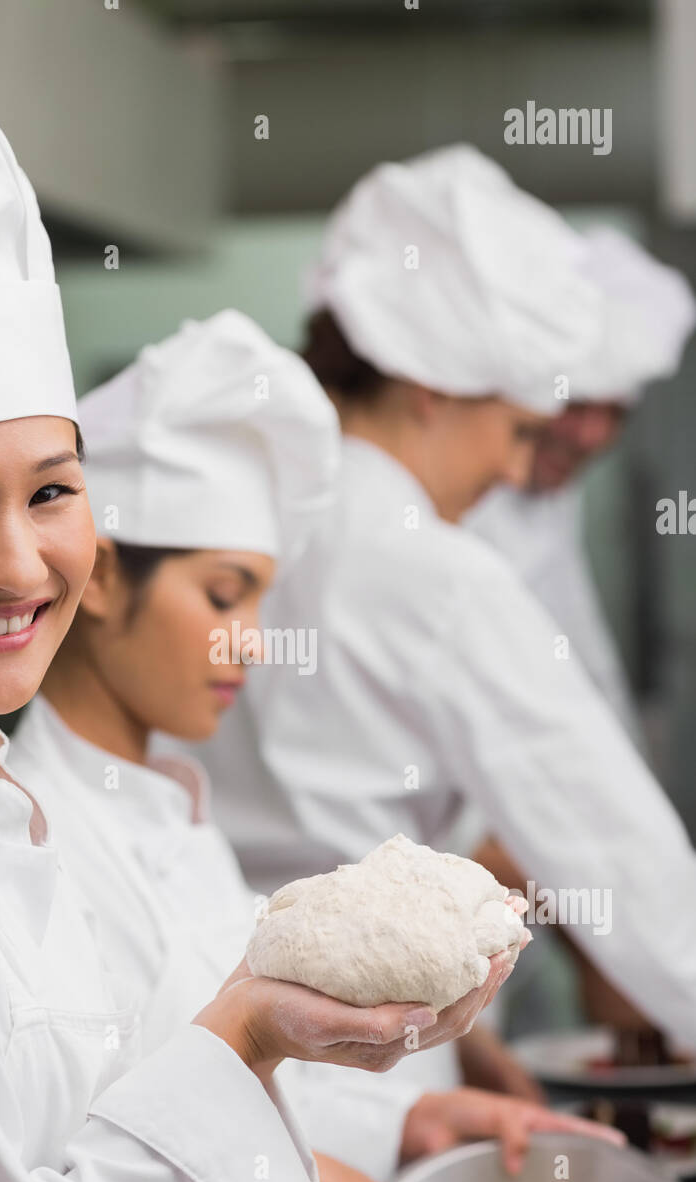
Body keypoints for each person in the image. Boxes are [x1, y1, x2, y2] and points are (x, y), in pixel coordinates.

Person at [0, 88, 512, 1182]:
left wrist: (352, 1094)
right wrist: (253, 1037)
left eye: (51, 492)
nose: (14, 561)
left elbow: (90, 1135)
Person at [9, 310, 622, 1182]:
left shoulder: (173, 809)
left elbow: (232, 1075)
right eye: (221, 596)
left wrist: (403, 1124)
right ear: (106, 575)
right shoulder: (28, 837)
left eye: (261, 603)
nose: (250, 643)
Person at [189, 145, 696, 1069]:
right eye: (516, 432)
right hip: (360, 1050)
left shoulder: (249, 507)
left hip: (214, 1019)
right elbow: (623, 860)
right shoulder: (428, 565)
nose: (514, 471)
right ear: (432, 387)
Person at [467, 225, 696, 742]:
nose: (591, 435)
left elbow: (578, 655)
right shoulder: (452, 497)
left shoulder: (552, 498)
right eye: (575, 405)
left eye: (614, 414)